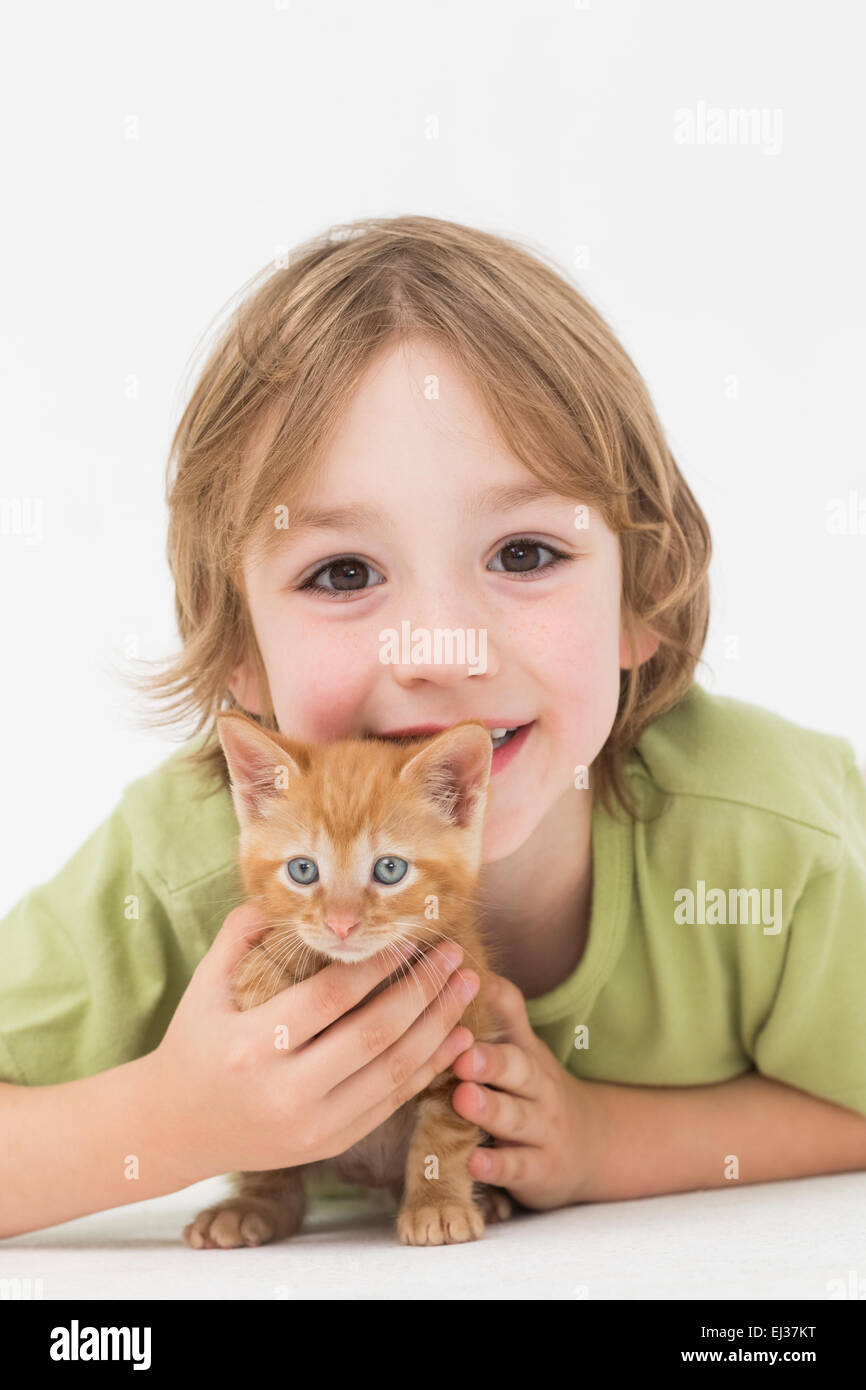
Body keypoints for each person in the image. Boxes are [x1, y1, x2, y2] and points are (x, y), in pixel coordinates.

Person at [2, 215, 865, 1242]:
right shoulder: (189, 862)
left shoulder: (766, 841)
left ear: (645, 594)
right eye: (344, 572)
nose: (442, 649)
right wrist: (169, 1121)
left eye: (524, 552)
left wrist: (604, 1142)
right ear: (240, 650)